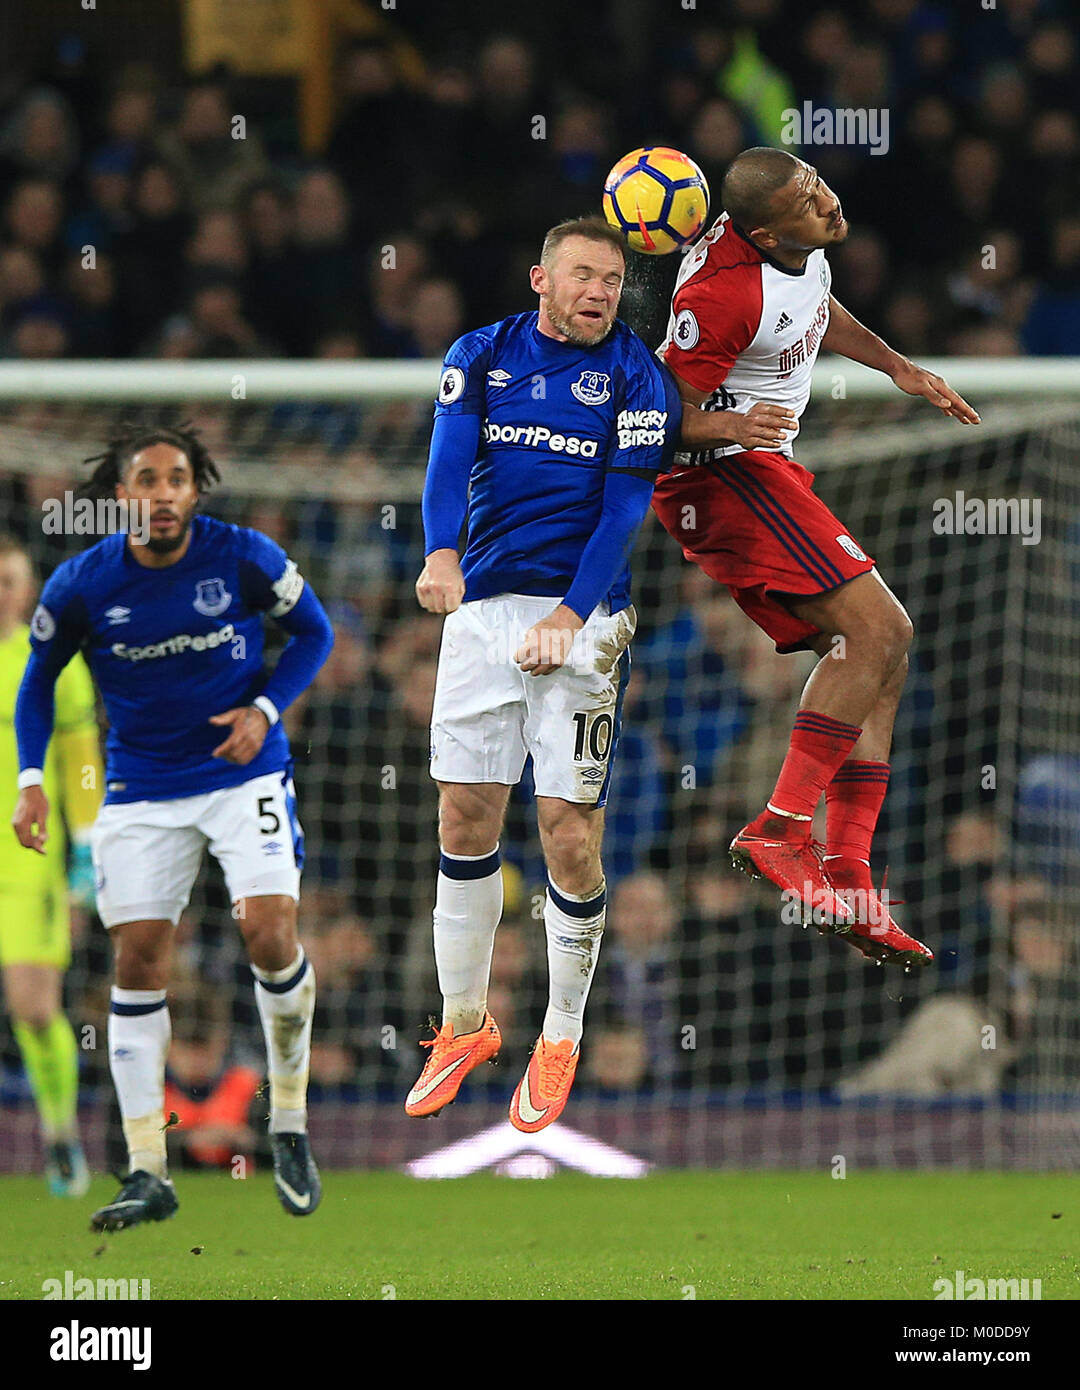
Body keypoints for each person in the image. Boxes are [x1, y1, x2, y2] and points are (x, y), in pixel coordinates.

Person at [409, 215, 742, 1132]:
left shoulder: (636, 375)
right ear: (541, 279)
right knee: (463, 814)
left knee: (567, 836)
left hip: (584, 619)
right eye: (586, 275)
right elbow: (447, 460)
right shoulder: (481, 354)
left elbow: (626, 504)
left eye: (613, 279)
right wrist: (442, 555)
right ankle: (464, 1025)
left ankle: (558, 1035)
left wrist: (568, 616)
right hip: (480, 614)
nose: (602, 290)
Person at [651, 147, 980, 967]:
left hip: (762, 465)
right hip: (717, 473)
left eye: (820, 183)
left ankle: (847, 872)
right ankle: (781, 829)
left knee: (882, 651)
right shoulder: (721, 295)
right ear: (763, 229)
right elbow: (655, 415)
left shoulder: (794, 247)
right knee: (879, 631)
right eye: (808, 199)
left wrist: (898, 366)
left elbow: (816, 308)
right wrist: (732, 429)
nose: (828, 203)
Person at [11, 424, 334, 1229]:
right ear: (122, 495)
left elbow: (315, 633)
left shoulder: (244, 556)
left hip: (241, 772)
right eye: (147, 481)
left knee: (268, 932)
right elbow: (37, 684)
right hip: (143, 787)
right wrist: (30, 781)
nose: (162, 494)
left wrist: (264, 710)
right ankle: (147, 1167)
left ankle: (288, 1120)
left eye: (177, 479)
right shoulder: (81, 584)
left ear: (196, 490)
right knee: (138, 957)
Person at [0, 534, 102, 1195]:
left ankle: (61, 1133)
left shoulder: (53, 661)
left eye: (9, 579)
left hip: (28, 861)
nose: (0, 591)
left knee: (33, 1009)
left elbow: (82, 763)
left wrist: (87, 859)